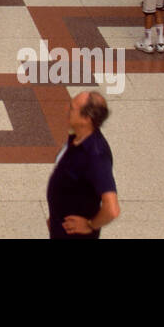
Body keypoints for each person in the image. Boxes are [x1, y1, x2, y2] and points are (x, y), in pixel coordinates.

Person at [46, 92, 120, 239]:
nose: (67, 109)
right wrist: (54, 216)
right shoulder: (76, 136)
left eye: (72, 108)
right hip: (60, 226)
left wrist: (90, 225)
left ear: (86, 119)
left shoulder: (96, 155)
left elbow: (112, 209)